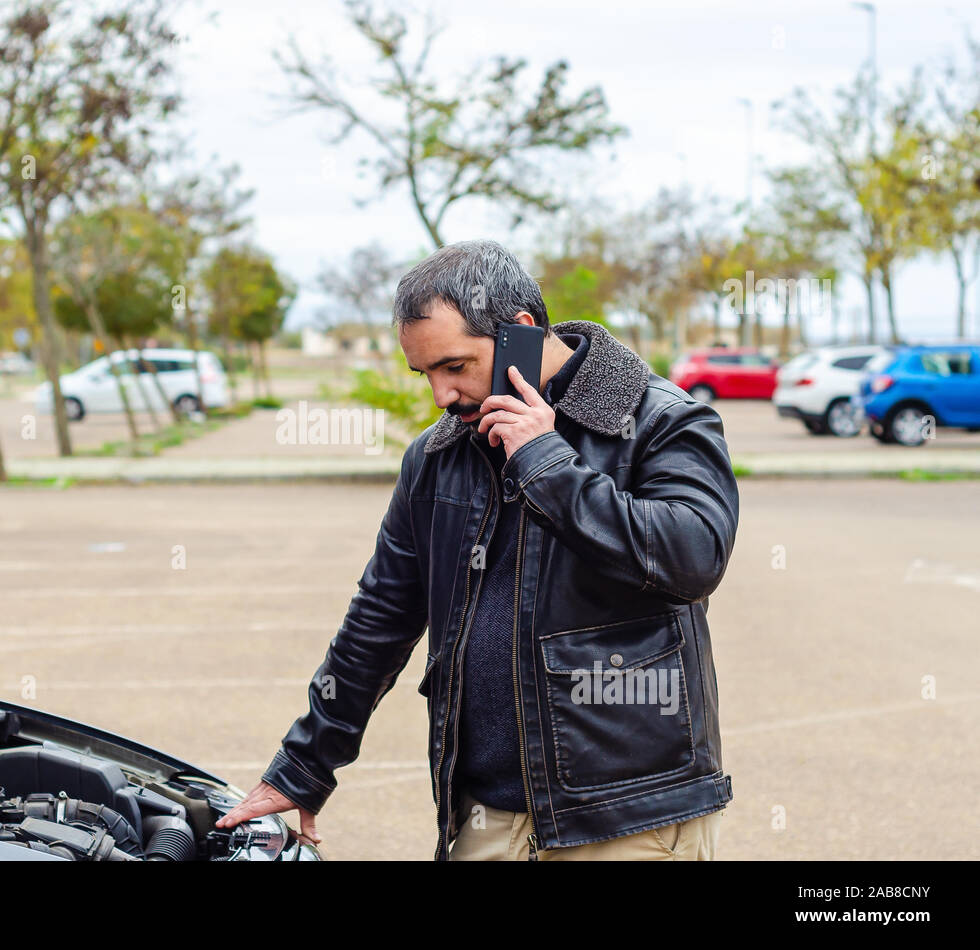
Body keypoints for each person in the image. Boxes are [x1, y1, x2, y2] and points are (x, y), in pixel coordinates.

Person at [217, 239, 739, 860]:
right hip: (486, 816)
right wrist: (302, 770)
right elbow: (381, 616)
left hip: (628, 818)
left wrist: (547, 465)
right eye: (426, 373)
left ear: (519, 332)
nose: (440, 395)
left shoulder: (660, 420)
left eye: (455, 366)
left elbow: (694, 557)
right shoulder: (438, 457)